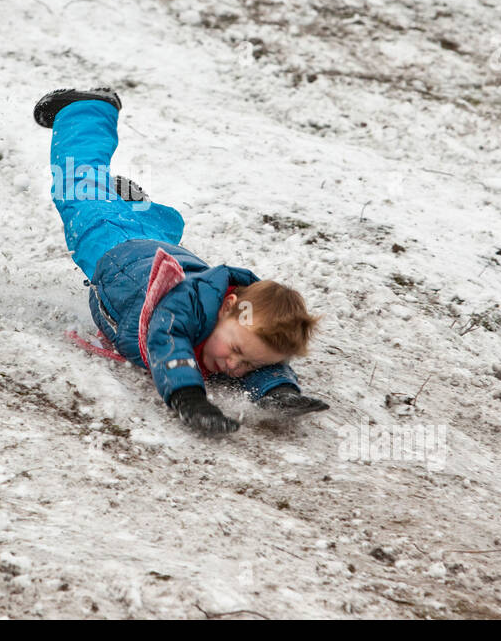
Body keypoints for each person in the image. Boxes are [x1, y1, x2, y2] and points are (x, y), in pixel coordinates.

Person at [36, 87, 329, 436]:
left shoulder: (243, 326)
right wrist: (189, 398)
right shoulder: (182, 310)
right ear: (226, 306)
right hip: (113, 251)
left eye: (249, 363)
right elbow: (167, 340)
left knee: (144, 229)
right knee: (77, 188)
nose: (235, 366)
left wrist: (279, 391)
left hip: (159, 253)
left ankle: (127, 202)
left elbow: (262, 354)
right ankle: (87, 111)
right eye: (236, 351)